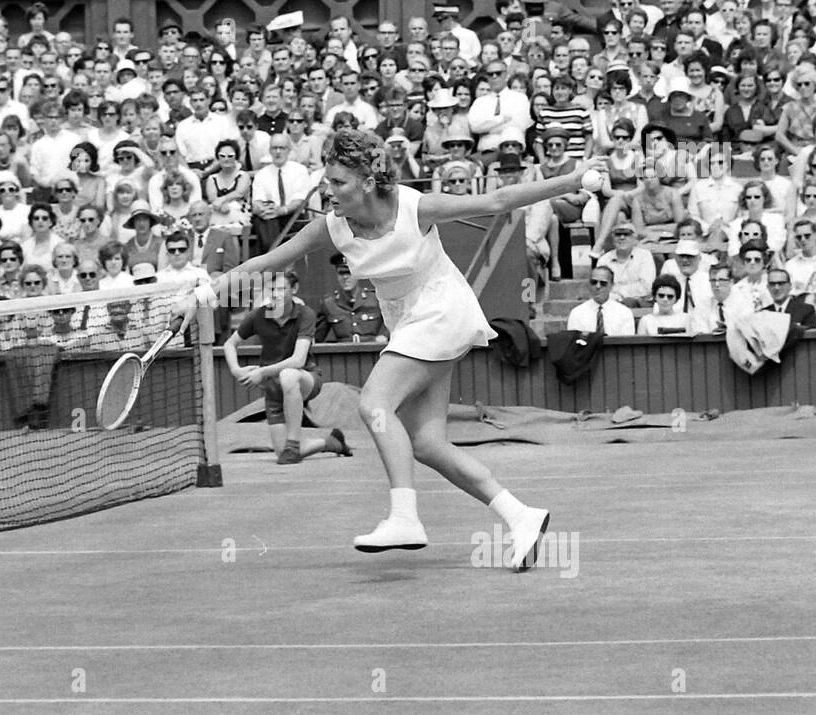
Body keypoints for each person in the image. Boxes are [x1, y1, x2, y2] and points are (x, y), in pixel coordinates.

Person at [215, 128, 597, 567]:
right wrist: (203, 298)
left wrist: (570, 180)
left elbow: (497, 201)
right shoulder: (331, 228)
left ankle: (404, 516)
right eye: (327, 180)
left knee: (375, 403)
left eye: (338, 182)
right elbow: (264, 262)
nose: (328, 189)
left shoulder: (416, 208)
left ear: (368, 181)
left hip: (440, 309)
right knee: (427, 443)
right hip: (409, 321)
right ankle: (520, 514)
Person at [222, 269, 351, 466]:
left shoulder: (305, 314)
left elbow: (298, 360)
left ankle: (292, 442)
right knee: (282, 455)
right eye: (272, 289)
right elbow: (230, 344)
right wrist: (235, 369)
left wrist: (261, 372)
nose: (276, 293)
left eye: (281, 288)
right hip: (273, 390)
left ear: (294, 289)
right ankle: (331, 442)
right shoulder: (258, 316)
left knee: (288, 375)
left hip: (305, 378)